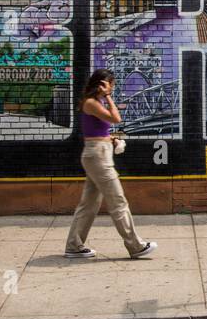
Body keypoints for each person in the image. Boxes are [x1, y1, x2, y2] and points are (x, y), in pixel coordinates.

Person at [65, 70, 156, 259]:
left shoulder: (95, 103)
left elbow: (97, 130)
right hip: (97, 156)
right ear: (101, 84)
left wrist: (111, 138)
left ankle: (74, 245)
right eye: (110, 84)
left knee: (89, 204)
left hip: (98, 153)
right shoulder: (91, 103)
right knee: (118, 201)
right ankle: (135, 246)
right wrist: (108, 97)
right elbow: (116, 118)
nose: (112, 88)